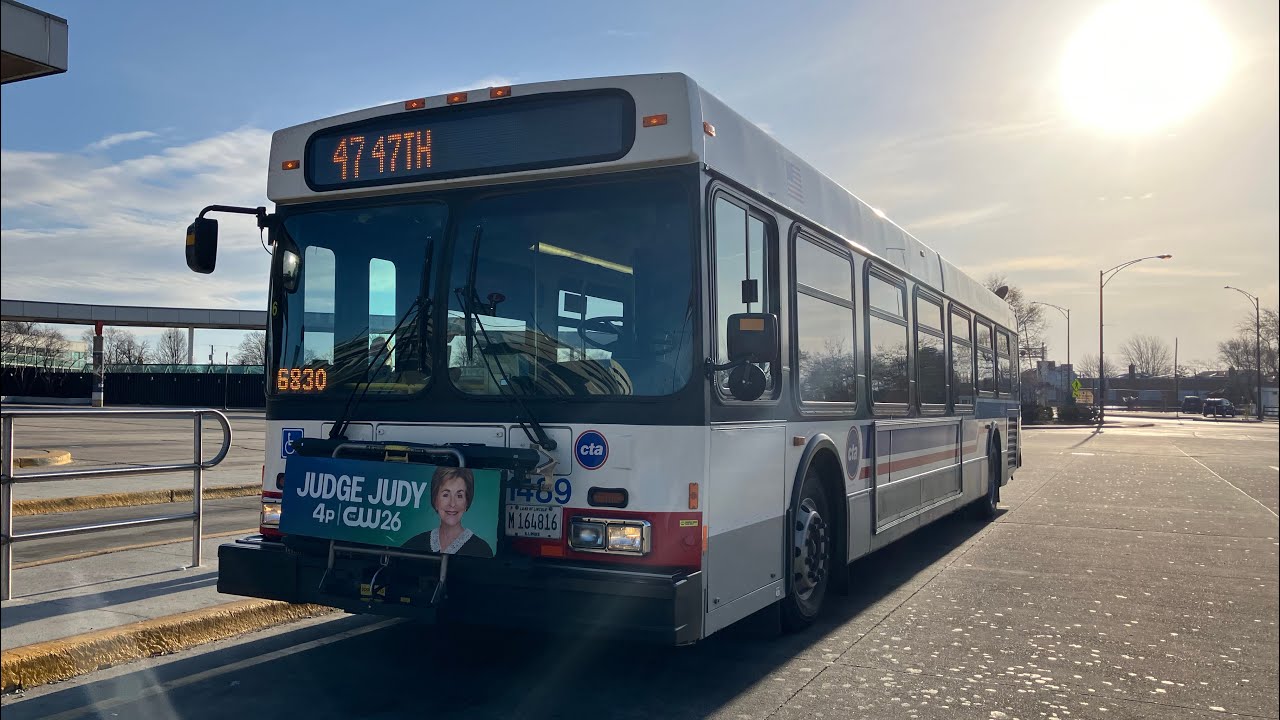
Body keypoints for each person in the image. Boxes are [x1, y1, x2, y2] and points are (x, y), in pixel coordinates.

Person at [403, 467, 493, 557]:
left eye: (459, 495)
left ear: (467, 502)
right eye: (446, 495)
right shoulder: (414, 544)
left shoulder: (482, 550)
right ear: (435, 500)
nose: (452, 504)